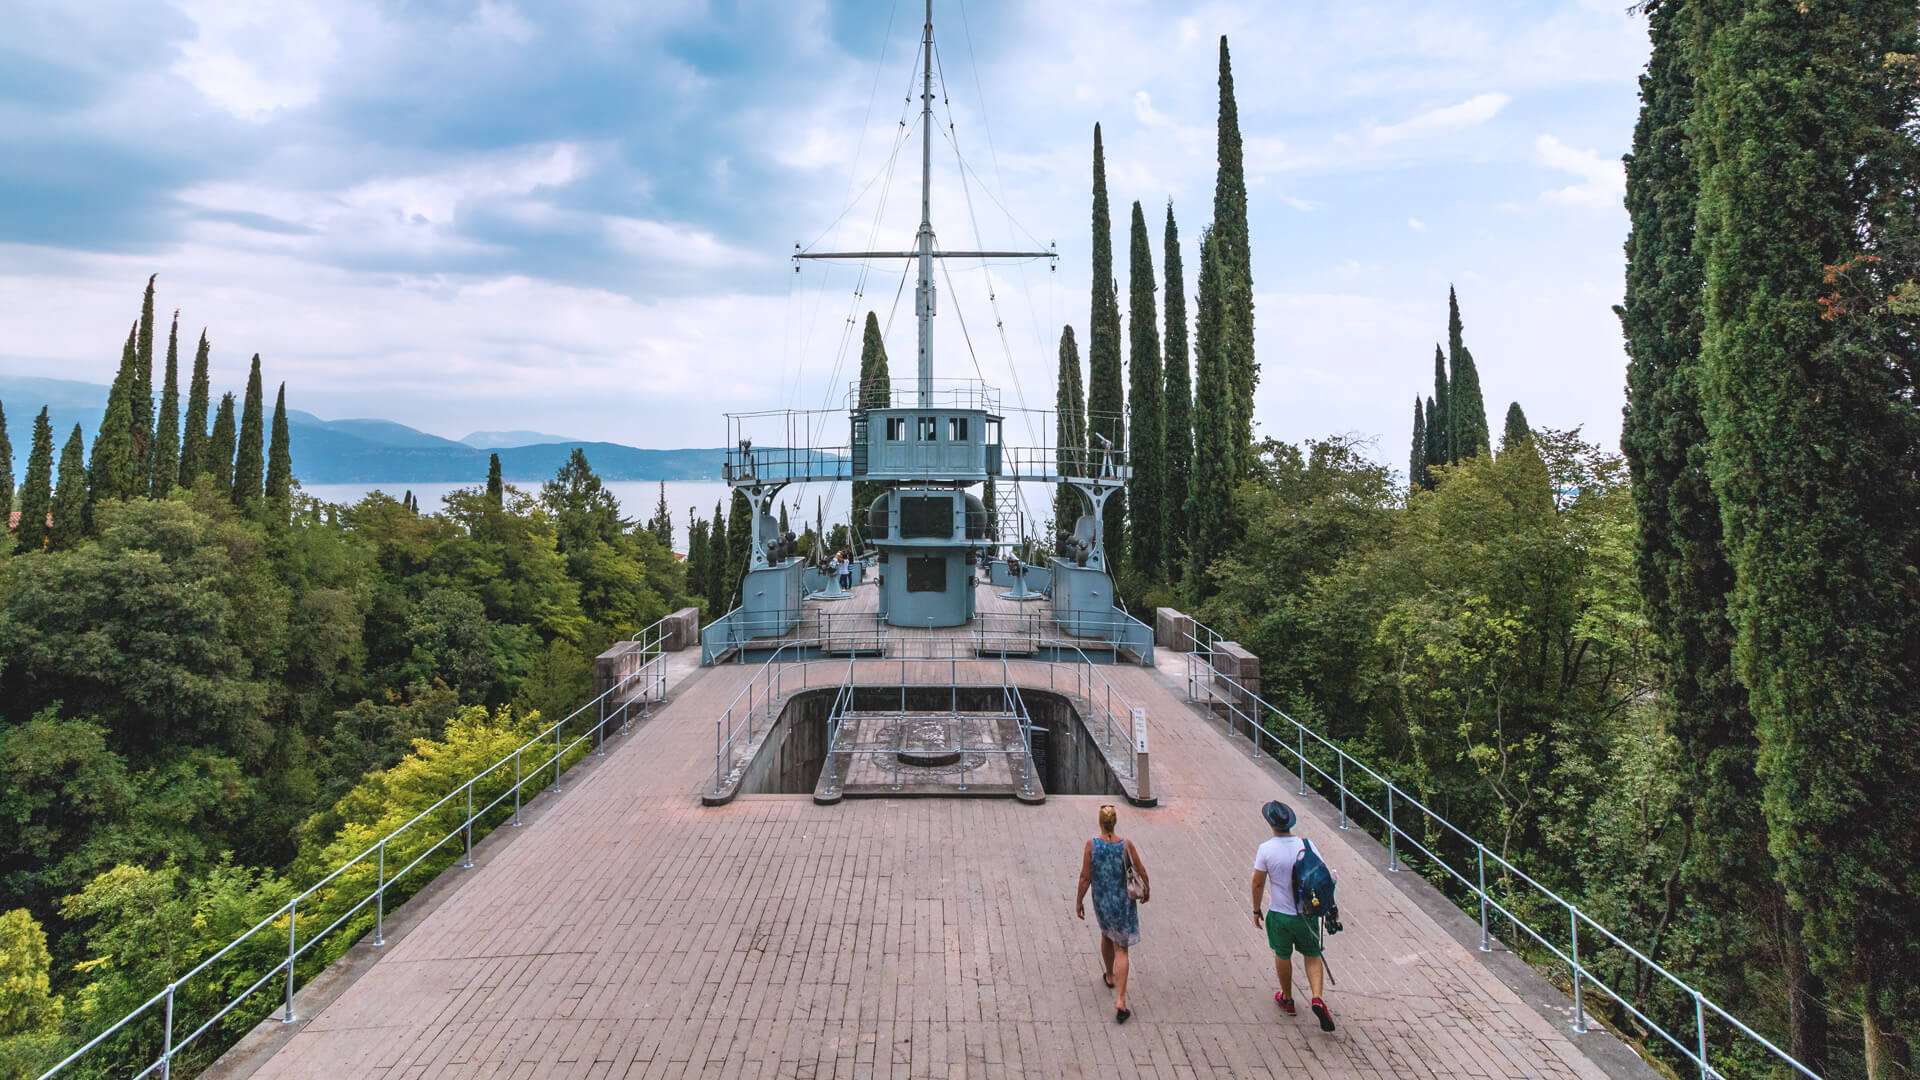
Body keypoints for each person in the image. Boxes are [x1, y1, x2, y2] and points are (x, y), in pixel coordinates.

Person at [1251, 800, 1335, 1031]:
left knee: (1282, 954)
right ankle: (1317, 997)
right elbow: (1323, 875)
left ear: (1270, 823)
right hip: (1307, 914)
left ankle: (1287, 998)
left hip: (1280, 914)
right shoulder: (1306, 845)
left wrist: (1257, 910)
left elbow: (1258, 883)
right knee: (1312, 954)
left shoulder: (1266, 849)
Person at [1077, 803, 1148, 1023]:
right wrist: (1147, 888)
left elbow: (1085, 877)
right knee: (1122, 950)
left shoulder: (1092, 845)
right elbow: (1140, 868)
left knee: (1106, 935)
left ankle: (1109, 975)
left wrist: (1079, 901)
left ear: (1100, 822)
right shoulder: (1126, 844)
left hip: (1101, 902)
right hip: (1122, 903)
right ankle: (1121, 1000)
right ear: (1114, 822)